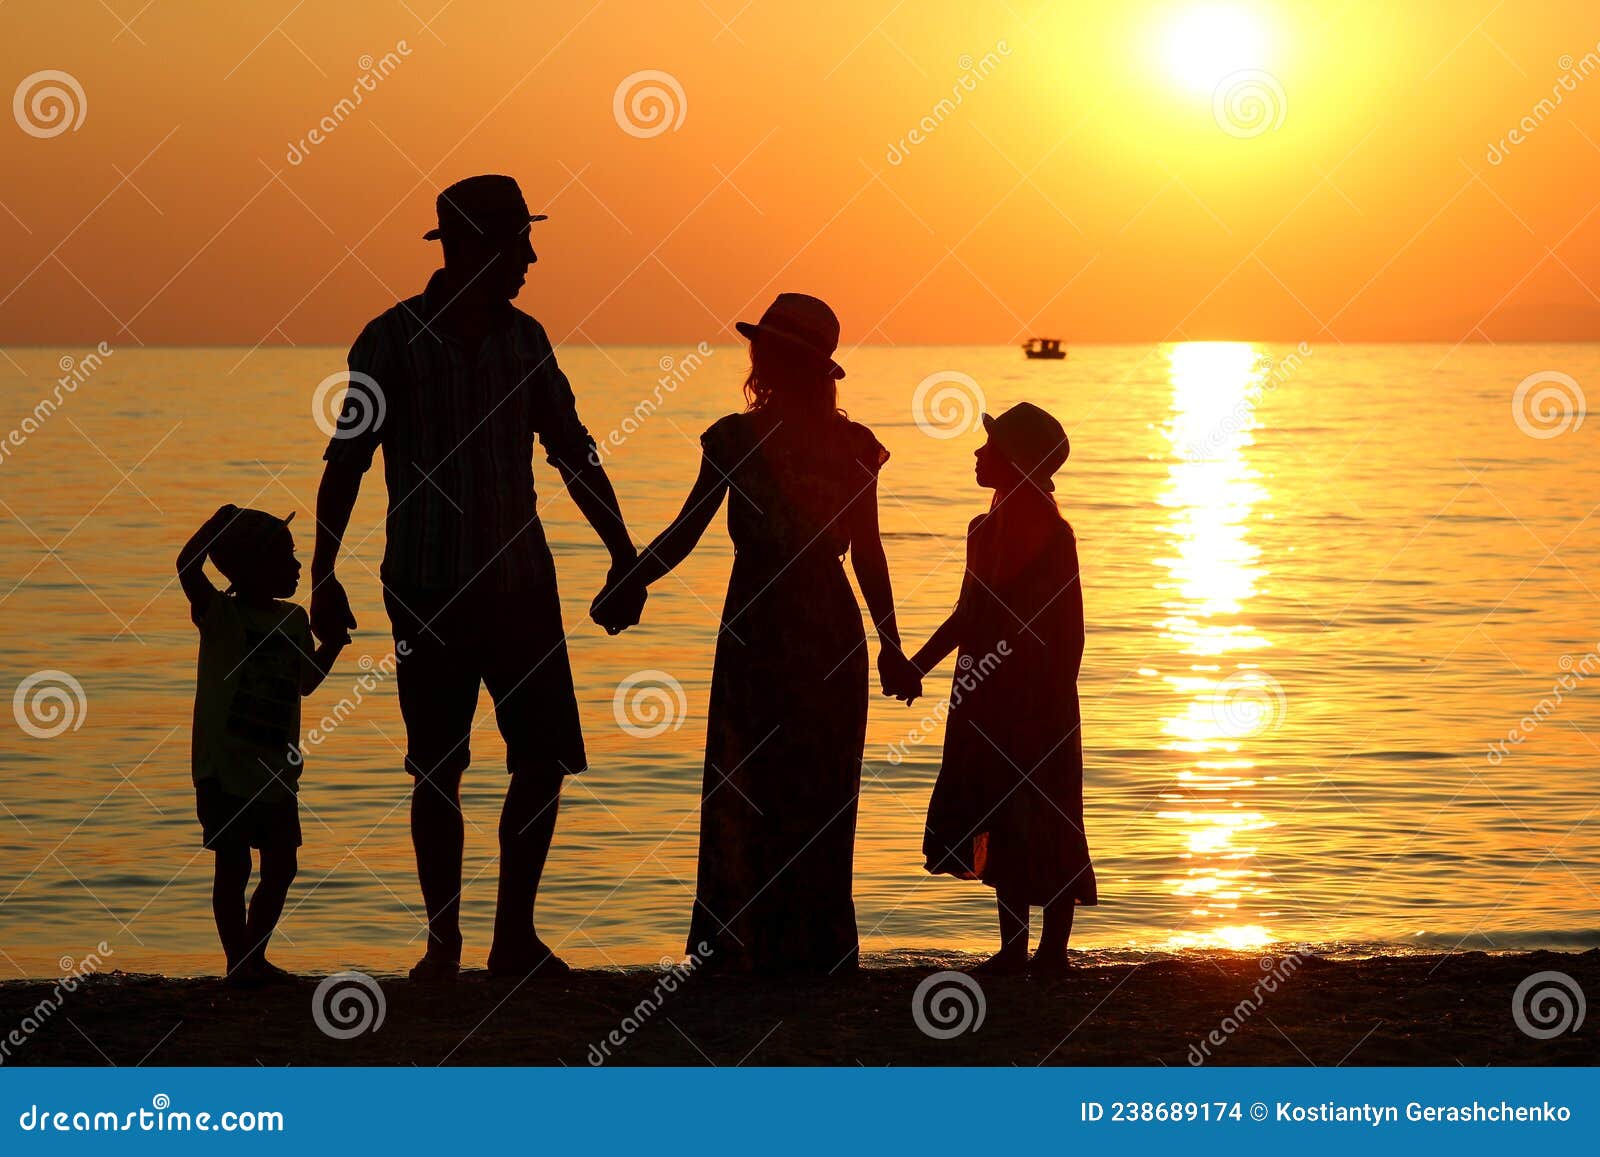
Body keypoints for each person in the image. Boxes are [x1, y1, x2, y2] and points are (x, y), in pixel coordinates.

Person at [309, 175, 644, 982]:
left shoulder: (527, 341)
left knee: (542, 757)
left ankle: (513, 938)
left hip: (521, 583)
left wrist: (622, 550)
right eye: (517, 243)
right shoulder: (387, 341)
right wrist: (321, 573)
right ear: (473, 249)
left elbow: (572, 448)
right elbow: (345, 463)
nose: (530, 257)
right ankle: (444, 943)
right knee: (437, 764)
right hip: (427, 588)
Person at [595, 293, 921, 974]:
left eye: (762, 347)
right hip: (829, 626)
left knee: (750, 781)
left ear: (776, 360)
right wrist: (889, 643)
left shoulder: (739, 439)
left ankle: (742, 943)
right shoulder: (850, 445)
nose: (752, 356)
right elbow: (867, 552)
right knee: (819, 785)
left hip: (760, 621)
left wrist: (633, 580)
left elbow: (687, 530)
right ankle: (816, 948)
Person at [911, 402, 1097, 975]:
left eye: (988, 446)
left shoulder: (1030, 526)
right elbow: (976, 613)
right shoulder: (1000, 524)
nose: (976, 453)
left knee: (1032, 808)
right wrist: (920, 664)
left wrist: (917, 664)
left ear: (1014, 460)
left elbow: (981, 614)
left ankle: (1042, 951)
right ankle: (1032, 950)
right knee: (1022, 809)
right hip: (1006, 693)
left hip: (1021, 696)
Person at [177, 504, 347, 983]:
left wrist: (333, 642)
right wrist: (217, 522)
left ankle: (251, 958)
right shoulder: (220, 614)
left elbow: (306, 682)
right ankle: (241, 963)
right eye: (285, 559)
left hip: (275, 772)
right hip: (223, 770)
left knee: (281, 867)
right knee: (232, 868)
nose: (296, 567)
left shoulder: (293, 621)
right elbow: (187, 566)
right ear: (250, 569)